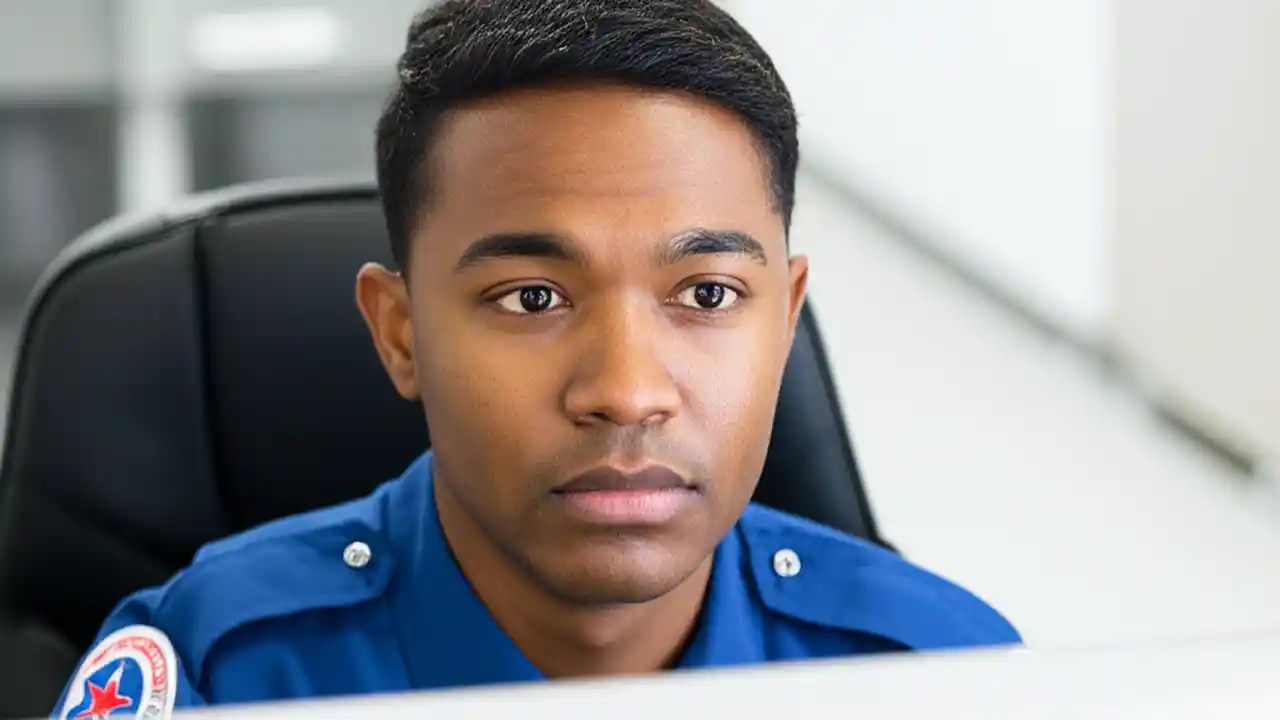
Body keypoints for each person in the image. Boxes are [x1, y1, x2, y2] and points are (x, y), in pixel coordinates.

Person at [53, 0, 1020, 717]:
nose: (627, 393)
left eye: (707, 295)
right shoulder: (215, 673)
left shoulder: (946, 678)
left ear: (786, 322)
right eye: (533, 297)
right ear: (400, 334)